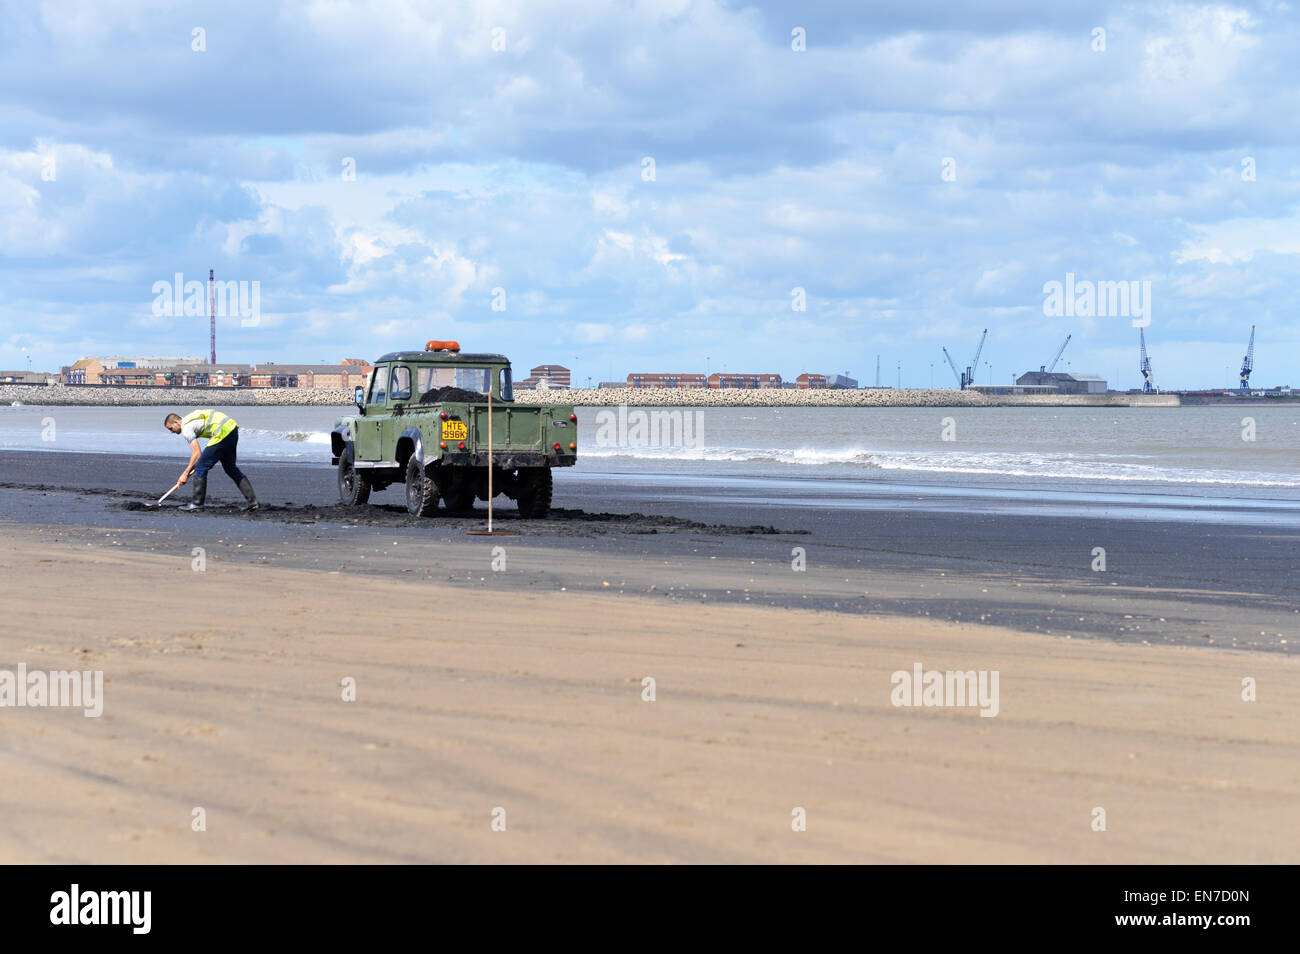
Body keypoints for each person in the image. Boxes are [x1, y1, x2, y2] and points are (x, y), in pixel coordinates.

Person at [163, 409, 259, 512]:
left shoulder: (186, 428)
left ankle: (197, 504)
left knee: (200, 467)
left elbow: (197, 454)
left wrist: (185, 474)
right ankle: (253, 502)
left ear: (177, 422)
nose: (172, 432)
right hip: (232, 430)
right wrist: (187, 474)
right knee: (230, 468)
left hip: (221, 433)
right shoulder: (190, 418)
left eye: (171, 428)